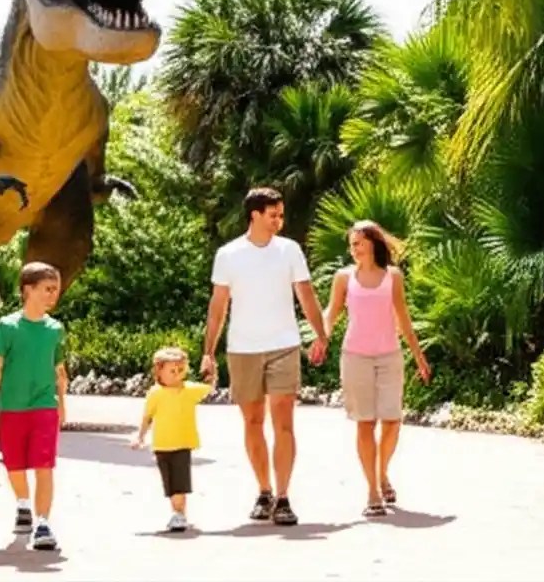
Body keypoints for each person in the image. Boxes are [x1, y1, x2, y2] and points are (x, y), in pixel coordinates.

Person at [200, 186, 329, 526]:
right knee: (253, 421)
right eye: (273, 214)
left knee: (284, 419)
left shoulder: (289, 251)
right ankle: (263, 490)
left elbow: (306, 294)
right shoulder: (228, 255)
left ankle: (284, 497)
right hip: (243, 348)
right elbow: (217, 307)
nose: (279, 221)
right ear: (254, 215)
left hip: (284, 344)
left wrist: (320, 333)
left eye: (281, 214)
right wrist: (208, 352)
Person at [322, 220, 431, 517]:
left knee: (393, 420)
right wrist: (320, 339)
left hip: (389, 356)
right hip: (355, 356)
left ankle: (382, 471)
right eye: (351, 245)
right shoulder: (344, 278)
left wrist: (419, 356)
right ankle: (372, 490)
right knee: (365, 423)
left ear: (372, 242)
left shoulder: (392, 277)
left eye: (358, 243)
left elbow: (403, 318)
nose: (353, 249)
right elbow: (331, 314)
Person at [0, 261, 68, 551]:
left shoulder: (55, 329)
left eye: (55, 289)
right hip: (12, 408)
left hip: (44, 406)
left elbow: (60, 371)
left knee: (44, 464)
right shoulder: (6, 328)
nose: (52, 295)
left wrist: (62, 406)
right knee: (14, 463)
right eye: (47, 289)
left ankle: (43, 524)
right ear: (27, 290)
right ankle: (23, 505)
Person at [131, 346, 213, 532]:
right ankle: (177, 511)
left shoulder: (189, 390)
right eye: (172, 371)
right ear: (159, 371)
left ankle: (179, 514)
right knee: (169, 483)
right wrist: (140, 436)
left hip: (182, 443)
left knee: (180, 482)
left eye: (180, 370)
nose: (177, 375)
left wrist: (210, 370)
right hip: (161, 445)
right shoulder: (155, 393)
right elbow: (147, 416)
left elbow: (209, 387)